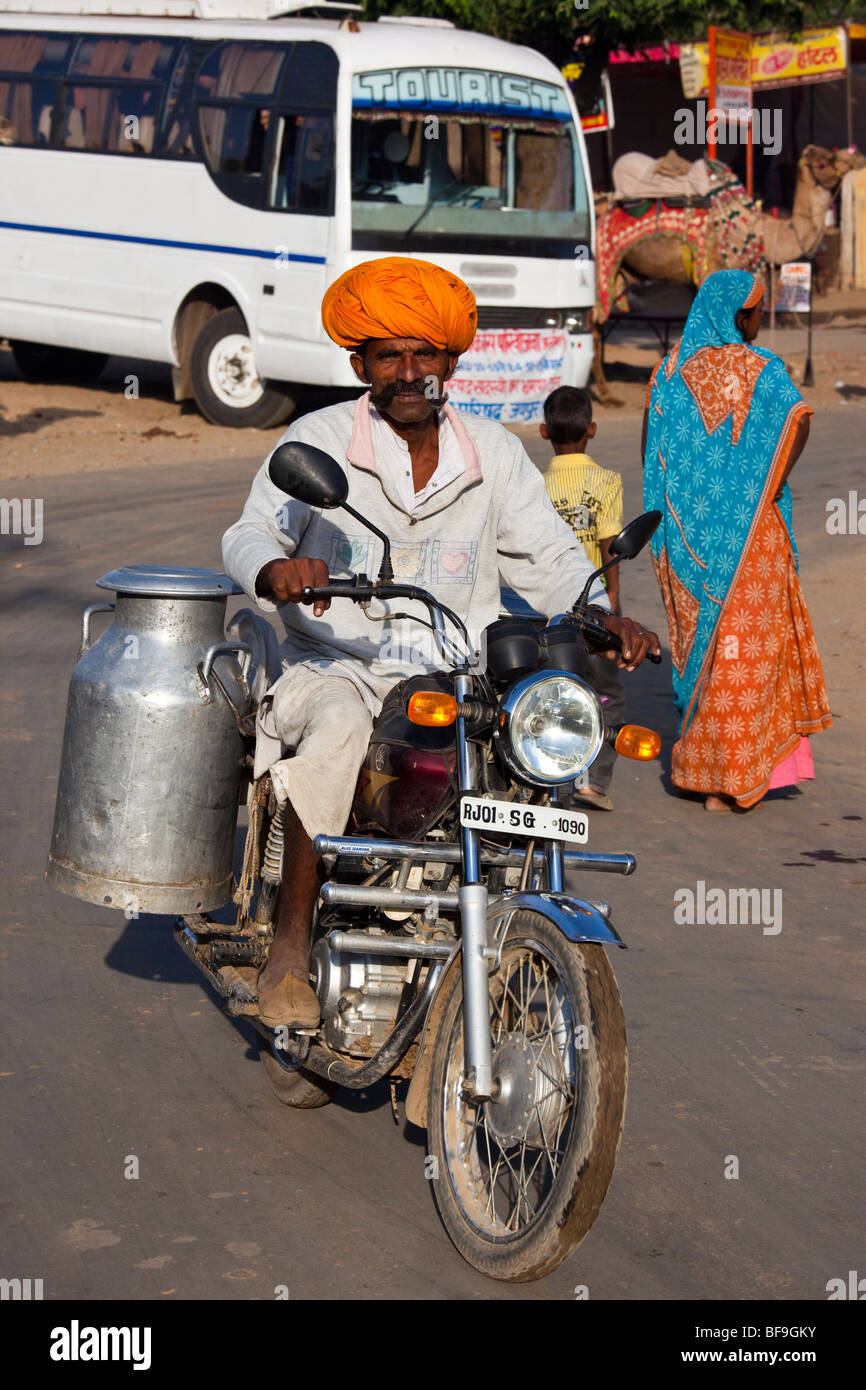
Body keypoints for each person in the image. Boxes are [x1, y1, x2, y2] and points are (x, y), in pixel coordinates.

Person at [223, 256, 661, 1028]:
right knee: (337, 737)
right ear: (361, 364)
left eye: (425, 354)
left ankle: (509, 934)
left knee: (525, 758)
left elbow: (554, 557)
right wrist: (277, 568)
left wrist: (603, 614)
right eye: (389, 355)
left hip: (457, 674)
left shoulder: (492, 453)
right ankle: (289, 946)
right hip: (341, 665)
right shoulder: (318, 437)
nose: (408, 372)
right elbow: (251, 530)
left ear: (451, 363)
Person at [642, 268, 831, 812]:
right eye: (753, 311)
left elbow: (652, 453)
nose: (756, 321)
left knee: (709, 651)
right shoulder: (762, 368)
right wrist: (762, 490)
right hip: (752, 538)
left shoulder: (668, 371)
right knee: (745, 657)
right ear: (734, 314)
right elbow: (798, 420)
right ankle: (737, 776)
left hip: (684, 539)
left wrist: (670, 520)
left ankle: (706, 770)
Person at [541, 385, 624, 811]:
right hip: (593, 612)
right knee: (603, 694)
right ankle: (592, 781)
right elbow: (611, 551)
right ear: (592, 428)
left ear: (542, 432)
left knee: (554, 693)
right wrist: (615, 611)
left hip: (547, 613)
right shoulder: (607, 482)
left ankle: (549, 780)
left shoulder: (536, 486)